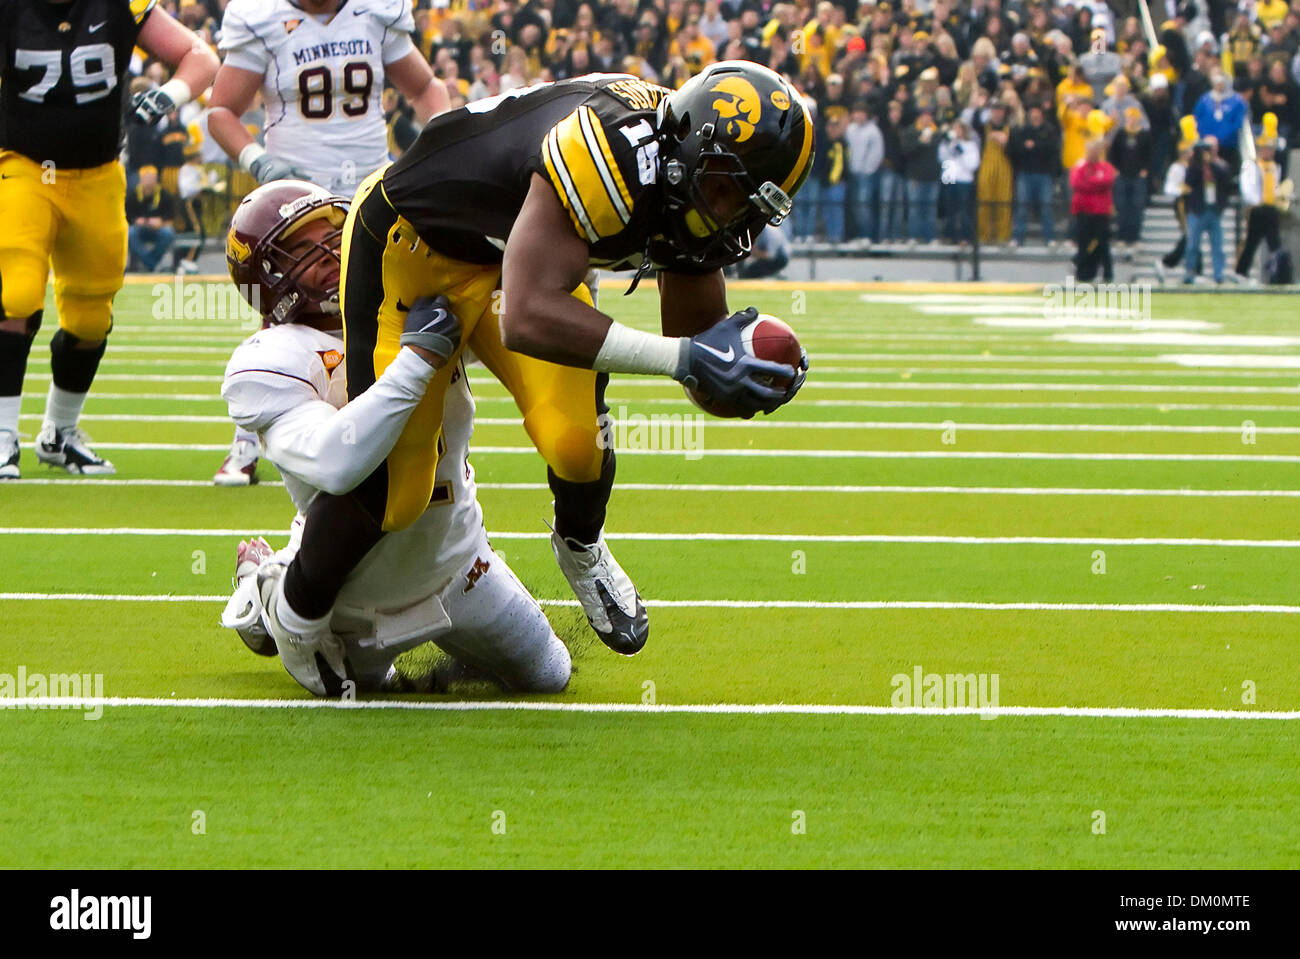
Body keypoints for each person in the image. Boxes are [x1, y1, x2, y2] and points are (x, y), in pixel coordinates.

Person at [260, 62, 813, 663]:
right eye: (727, 190)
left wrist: (745, 378)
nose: (730, 216)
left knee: (578, 443)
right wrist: (685, 359)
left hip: (523, 261)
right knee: (395, 490)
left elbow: (700, 359)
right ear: (686, 140)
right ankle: (282, 599)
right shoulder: (613, 151)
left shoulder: (697, 188)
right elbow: (527, 316)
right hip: (413, 244)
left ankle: (581, 544)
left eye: (750, 204)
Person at [218, 181, 569, 697]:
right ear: (266, 277)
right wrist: (416, 362)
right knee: (361, 693)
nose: (332, 251)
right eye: (303, 246)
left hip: (458, 563)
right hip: (352, 595)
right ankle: (269, 597)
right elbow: (339, 462)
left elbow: (519, 312)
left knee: (549, 676)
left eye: (336, 235)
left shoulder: (401, 298)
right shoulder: (275, 359)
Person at [206, 0, 450, 487]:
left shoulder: (374, 10)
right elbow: (221, 110)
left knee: (383, 307)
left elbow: (425, 88)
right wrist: (258, 161)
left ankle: (390, 427)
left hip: (371, 189)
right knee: (280, 310)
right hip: (294, 198)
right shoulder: (262, 16)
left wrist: (441, 143)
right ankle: (247, 440)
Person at [0, 0, 218, 480]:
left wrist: (169, 95)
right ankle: (2, 434)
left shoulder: (123, 4)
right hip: (22, 165)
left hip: (97, 174)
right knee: (14, 292)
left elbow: (201, 57)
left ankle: (59, 433)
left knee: (92, 317)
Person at [1236, 115, 1292, 280]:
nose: (1270, 151)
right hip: (1257, 209)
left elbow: (1274, 187)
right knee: (1250, 242)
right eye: (1267, 148)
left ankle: (1279, 273)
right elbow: (1247, 187)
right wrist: (1256, 202)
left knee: (1274, 242)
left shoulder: (1275, 167)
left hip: (1271, 208)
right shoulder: (1252, 165)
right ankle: (1241, 271)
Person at [1007, 103, 1059, 247]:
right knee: (1022, 207)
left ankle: (1049, 238)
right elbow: (1015, 148)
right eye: (1032, 112)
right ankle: (1017, 238)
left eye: (1037, 112)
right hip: (1025, 173)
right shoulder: (1021, 130)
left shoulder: (1049, 130)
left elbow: (1052, 149)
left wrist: (1035, 145)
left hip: (1044, 174)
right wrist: (1026, 147)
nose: (1035, 115)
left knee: (1046, 207)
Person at [1183, 136, 1231, 284]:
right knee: (1192, 245)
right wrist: (1197, 160)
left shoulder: (1220, 165)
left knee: (1217, 245)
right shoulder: (1194, 166)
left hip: (1213, 209)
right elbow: (1189, 181)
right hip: (1198, 210)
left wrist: (1211, 163)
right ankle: (1189, 273)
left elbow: (1225, 180)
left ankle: (1218, 274)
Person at [1070, 134, 1117, 282]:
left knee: (1101, 242)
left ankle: (1107, 273)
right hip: (1083, 211)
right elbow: (1076, 183)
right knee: (1083, 242)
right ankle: (1083, 273)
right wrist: (1095, 183)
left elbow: (1107, 181)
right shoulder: (1080, 166)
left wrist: (1089, 183)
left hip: (1101, 212)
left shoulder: (1105, 167)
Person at [1107, 107, 1152, 256]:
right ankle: (1121, 237)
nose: (1132, 120)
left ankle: (1135, 237)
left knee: (1137, 207)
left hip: (1137, 176)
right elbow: (1113, 153)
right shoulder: (1121, 134)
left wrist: (1146, 169)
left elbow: (1149, 154)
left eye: (1134, 117)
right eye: (1129, 117)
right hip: (1122, 176)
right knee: (1122, 207)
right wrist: (1115, 168)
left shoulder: (1144, 135)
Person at [125, 165, 176, 273]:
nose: (149, 181)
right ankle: (152, 264)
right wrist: (136, 220)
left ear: (156, 178)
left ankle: (149, 263)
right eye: (146, 178)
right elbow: (126, 215)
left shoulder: (164, 194)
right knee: (130, 233)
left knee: (168, 233)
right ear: (141, 179)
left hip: (158, 229)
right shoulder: (133, 195)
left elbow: (170, 215)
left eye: (151, 178)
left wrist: (160, 221)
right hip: (139, 229)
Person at [845, 101, 884, 242]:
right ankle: (857, 235)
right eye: (856, 113)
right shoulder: (850, 129)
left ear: (866, 115)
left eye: (861, 113)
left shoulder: (873, 131)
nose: (859, 116)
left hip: (866, 175)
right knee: (855, 206)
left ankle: (866, 236)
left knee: (864, 206)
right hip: (852, 173)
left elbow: (877, 154)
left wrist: (866, 170)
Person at [938, 118, 980, 244]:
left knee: (964, 210)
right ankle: (949, 235)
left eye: (958, 128)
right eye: (954, 129)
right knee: (950, 209)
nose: (956, 131)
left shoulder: (970, 145)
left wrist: (960, 151)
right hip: (950, 178)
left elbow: (972, 164)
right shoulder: (947, 143)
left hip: (964, 180)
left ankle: (965, 237)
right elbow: (942, 159)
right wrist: (947, 145)